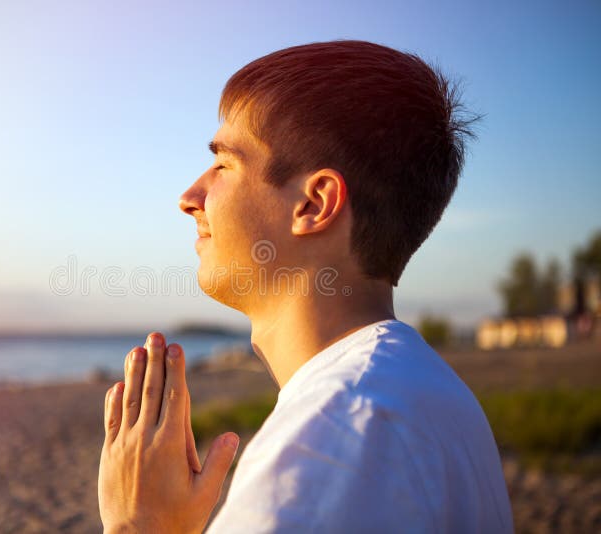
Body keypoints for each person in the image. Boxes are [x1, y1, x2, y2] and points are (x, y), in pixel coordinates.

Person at [98, 40, 514, 533]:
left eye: (224, 165)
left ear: (314, 204)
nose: (190, 197)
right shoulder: (429, 393)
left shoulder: (333, 439)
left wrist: (137, 524)